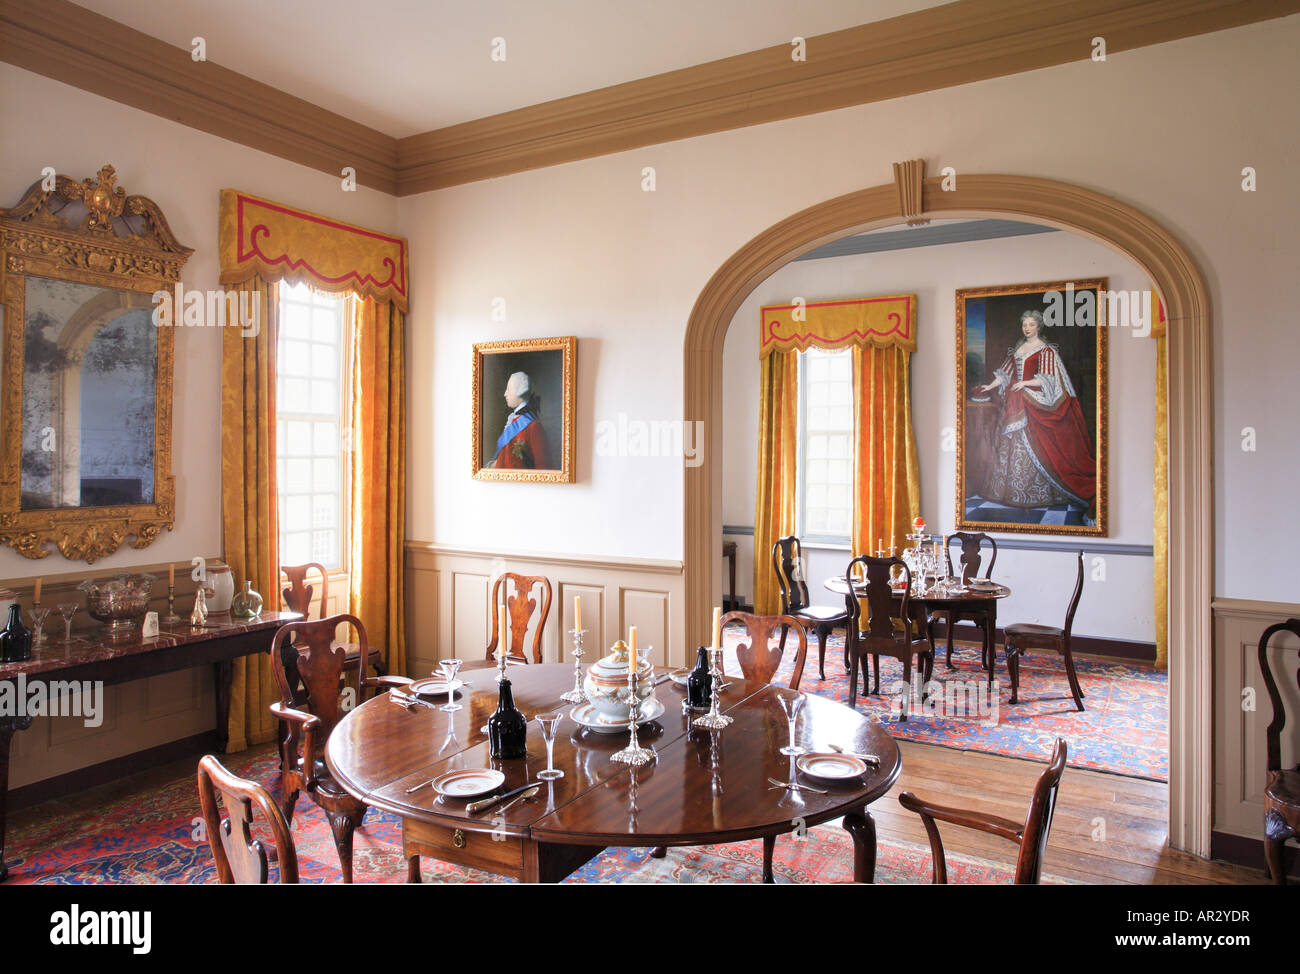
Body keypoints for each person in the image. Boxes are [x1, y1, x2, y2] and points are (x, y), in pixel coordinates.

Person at [973, 309, 1096, 512]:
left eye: (1031, 324)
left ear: (1039, 326)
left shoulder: (1046, 350)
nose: (1027, 328)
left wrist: (1024, 383)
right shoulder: (1019, 349)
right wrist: (990, 386)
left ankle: (1038, 493)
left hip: (1033, 403)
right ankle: (1012, 492)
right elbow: (1005, 373)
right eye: (1024, 325)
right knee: (1011, 443)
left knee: (1037, 443)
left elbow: (1048, 377)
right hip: (1016, 402)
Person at [489, 371, 550, 469]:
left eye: (508, 389)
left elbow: (543, 468)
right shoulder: (512, 420)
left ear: (521, 391)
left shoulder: (533, 427)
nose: (505, 394)